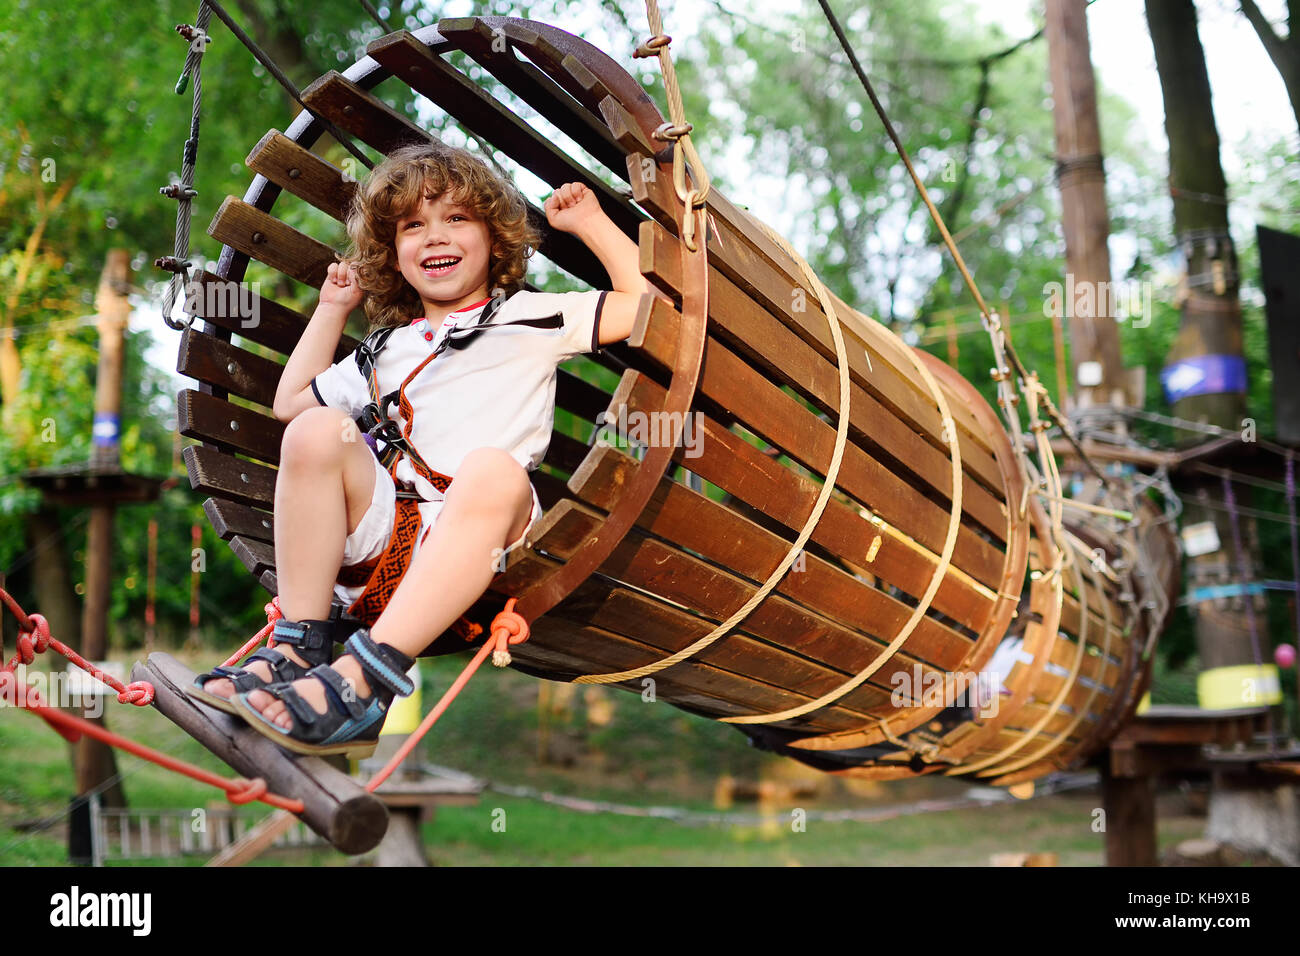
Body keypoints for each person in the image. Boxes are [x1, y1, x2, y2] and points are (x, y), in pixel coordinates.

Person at [187, 141, 650, 757]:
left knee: (493, 470)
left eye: (456, 218)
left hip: (483, 543)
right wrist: (332, 308)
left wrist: (589, 222)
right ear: (394, 254)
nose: (435, 236)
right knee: (318, 430)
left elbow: (644, 307)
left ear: (494, 238)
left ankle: (363, 683)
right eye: (413, 226)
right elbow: (291, 404)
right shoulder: (387, 348)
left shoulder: (534, 318)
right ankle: (299, 646)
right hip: (386, 541)